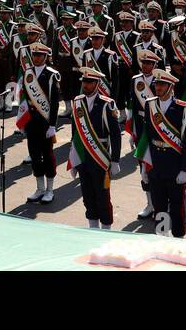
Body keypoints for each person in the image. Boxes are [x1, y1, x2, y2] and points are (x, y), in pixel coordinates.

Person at [136, 67, 186, 237]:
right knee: (159, 206)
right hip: (156, 164)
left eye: (162, 84)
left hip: (175, 164)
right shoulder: (150, 105)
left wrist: (185, 169)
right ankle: (162, 238)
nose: (158, 87)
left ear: (171, 87)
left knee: (177, 207)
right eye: (157, 84)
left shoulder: (184, 108)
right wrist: (144, 166)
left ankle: (179, 240)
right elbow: (146, 136)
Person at [68, 65, 123, 229]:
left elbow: (115, 135)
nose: (86, 85)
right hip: (83, 156)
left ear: (97, 84)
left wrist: (115, 160)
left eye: (90, 82)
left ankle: (106, 229)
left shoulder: (107, 105)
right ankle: (92, 228)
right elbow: (75, 133)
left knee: (102, 196)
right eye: (84, 81)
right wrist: (73, 158)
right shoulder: (77, 102)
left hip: (101, 156)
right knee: (87, 196)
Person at [20, 41, 61, 203]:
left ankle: (50, 190)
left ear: (46, 57)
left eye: (39, 55)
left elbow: (55, 102)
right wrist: (22, 121)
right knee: (35, 155)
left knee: (48, 156)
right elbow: (25, 99)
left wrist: (52, 125)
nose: (36, 58)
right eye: (34, 55)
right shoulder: (27, 73)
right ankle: (40, 188)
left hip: (45, 122)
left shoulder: (51, 75)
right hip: (32, 122)